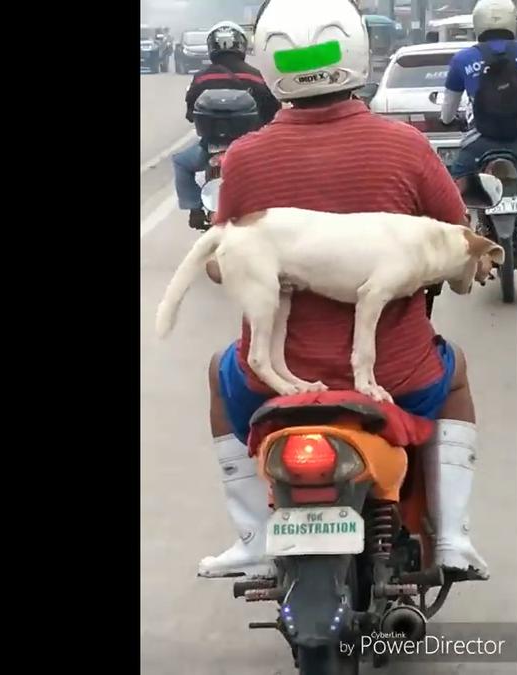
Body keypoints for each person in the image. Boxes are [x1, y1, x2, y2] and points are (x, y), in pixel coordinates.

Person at [195, 0, 490, 581]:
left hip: (273, 382)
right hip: (398, 375)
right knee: (455, 375)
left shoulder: (245, 156)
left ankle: (252, 540)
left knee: (217, 372)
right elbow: (459, 238)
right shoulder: (407, 147)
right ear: (356, 52)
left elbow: (225, 259)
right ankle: (454, 537)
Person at [171, 21, 280, 230]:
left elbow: (190, 112)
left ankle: (194, 207)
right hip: (251, 146)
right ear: (241, 45)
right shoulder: (256, 76)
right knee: (276, 169)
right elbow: (272, 111)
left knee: (181, 163)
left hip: (209, 146)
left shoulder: (201, 77)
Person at [440, 0, 517, 177]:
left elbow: (448, 112)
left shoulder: (462, 59)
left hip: (479, 143)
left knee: (457, 181)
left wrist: (447, 121)